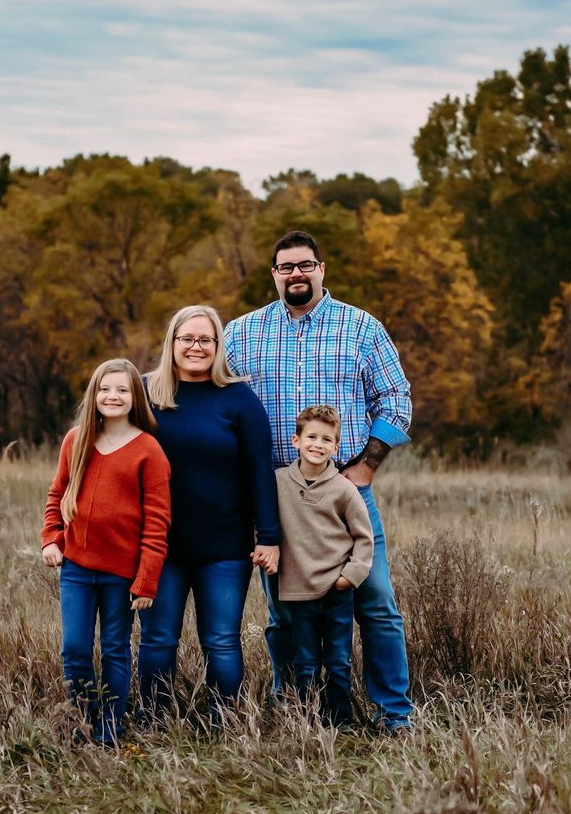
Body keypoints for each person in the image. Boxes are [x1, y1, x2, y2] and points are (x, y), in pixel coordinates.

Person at [223, 229, 415, 732]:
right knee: (287, 609)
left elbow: (397, 400)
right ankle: (297, 710)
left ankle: (393, 713)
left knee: (375, 602)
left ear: (321, 269)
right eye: (286, 267)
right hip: (277, 498)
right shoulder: (242, 334)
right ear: (274, 275)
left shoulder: (362, 328)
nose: (296, 274)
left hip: (345, 492)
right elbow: (220, 404)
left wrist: (366, 467)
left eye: (305, 265)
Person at [137, 305, 281, 723]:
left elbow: (260, 470)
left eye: (206, 340)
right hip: (159, 545)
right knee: (157, 639)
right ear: (172, 343)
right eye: (188, 339)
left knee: (221, 640)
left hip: (225, 546)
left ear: (218, 346)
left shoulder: (239, 398)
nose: (196, 347)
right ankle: (153, 721)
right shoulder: (146, 394)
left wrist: (267, 535)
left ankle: (225, 723)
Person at [41, 358, 170, 744]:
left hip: (121, 573)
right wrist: (51, 538)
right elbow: (56, 494)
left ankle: (109, 728)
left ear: (136, 397)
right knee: (75, 648)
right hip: (77, 568)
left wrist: (146, 580)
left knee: (115, 649)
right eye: (105, 389)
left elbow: (158, 521)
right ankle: (83, 721)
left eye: (122, 390)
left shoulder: (148, 450)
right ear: (94, 394)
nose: (112, 396)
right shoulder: (76, 440)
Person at [274, 405, 373, 727]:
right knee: (305, 663)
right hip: (298, 591)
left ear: (336, 447)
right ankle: (307, 722)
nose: (318, 444)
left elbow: (364, 537)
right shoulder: (278, 483)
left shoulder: (344, 489)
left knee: (338, 661)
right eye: (311, 437)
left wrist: (349, 577)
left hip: (336, 591)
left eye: (326, 439)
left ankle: (341, 722)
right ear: (295, 440)